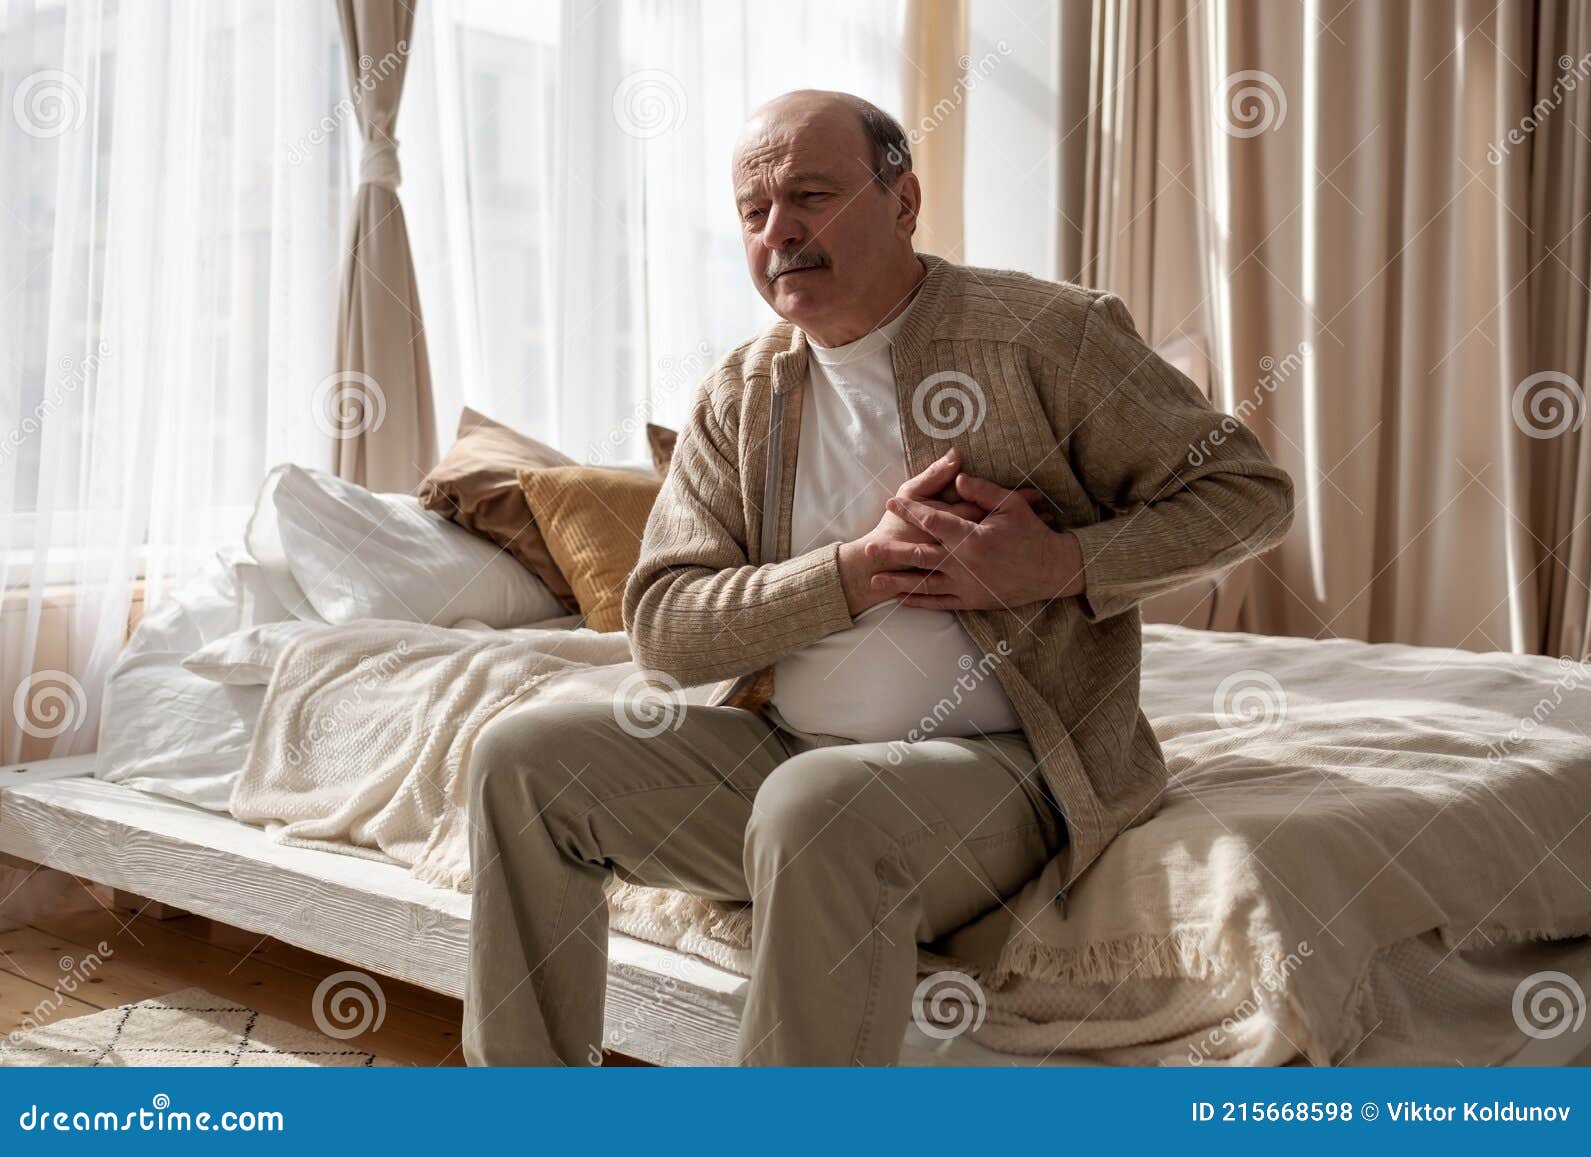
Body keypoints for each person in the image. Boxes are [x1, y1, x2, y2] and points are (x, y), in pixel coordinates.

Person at [463, 89, 1294, 1066]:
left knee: (816, 804)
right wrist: (852, 574)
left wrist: (1063, 561)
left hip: (1008, 771)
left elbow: (1247, 491)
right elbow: (663, 624)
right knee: (519, 754)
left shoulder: (1044, 335)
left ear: (902, 203)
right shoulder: (740, 394)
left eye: (810, 195)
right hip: (785, 757)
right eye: (753, 210)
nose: (781, 231)